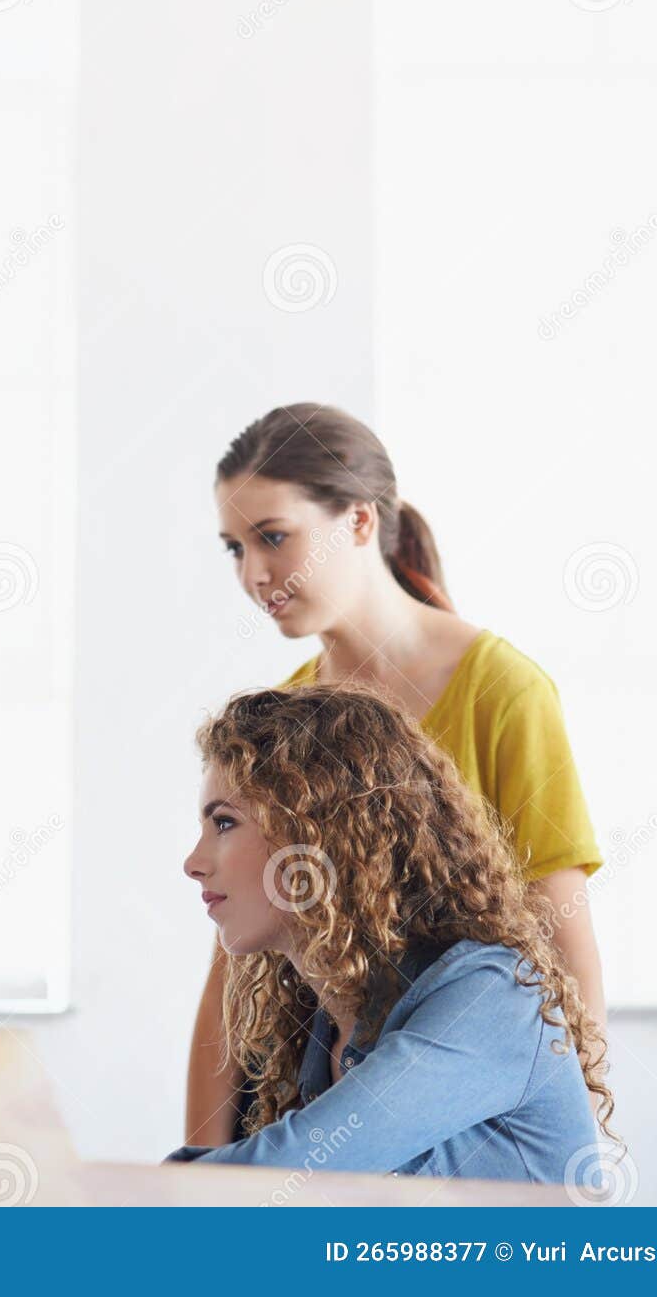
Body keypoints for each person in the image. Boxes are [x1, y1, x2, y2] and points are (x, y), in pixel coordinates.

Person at [186, 402, 605, 1148]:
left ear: (358, 521)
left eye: (273, 537)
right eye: (234, 548)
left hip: (450, 1103)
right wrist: (195, 1164)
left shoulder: (503, 691)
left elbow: (560, 943)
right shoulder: (287, 713)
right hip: (310, 1084)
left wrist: (577, 1149)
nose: (253, 574)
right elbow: (233, 969)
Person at [166, 683, 618, 1182]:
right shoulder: (327, 1019)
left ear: (322, 832)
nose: (193, 863)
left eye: (224, 823)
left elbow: (290, 1169)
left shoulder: (491, 994)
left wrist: (123, 1190)